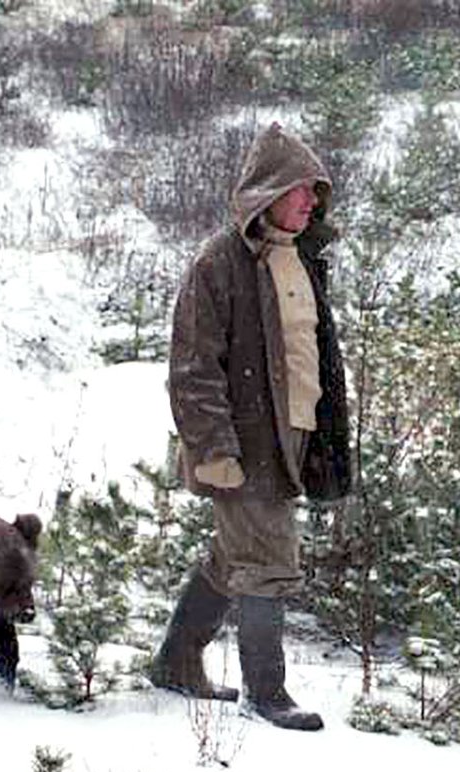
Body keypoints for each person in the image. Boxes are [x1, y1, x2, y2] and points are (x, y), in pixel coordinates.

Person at [150, 122, 352, 732]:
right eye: (301, 191)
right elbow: (191, 367)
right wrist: (212, 448)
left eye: (317, 192)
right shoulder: (219, 263)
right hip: (238, 443)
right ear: (269, 192)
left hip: (294, 437)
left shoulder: (304, 260)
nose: (311, 201)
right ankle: (267, 695)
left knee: (233, 554)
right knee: (268, 557)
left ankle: (176, 662)